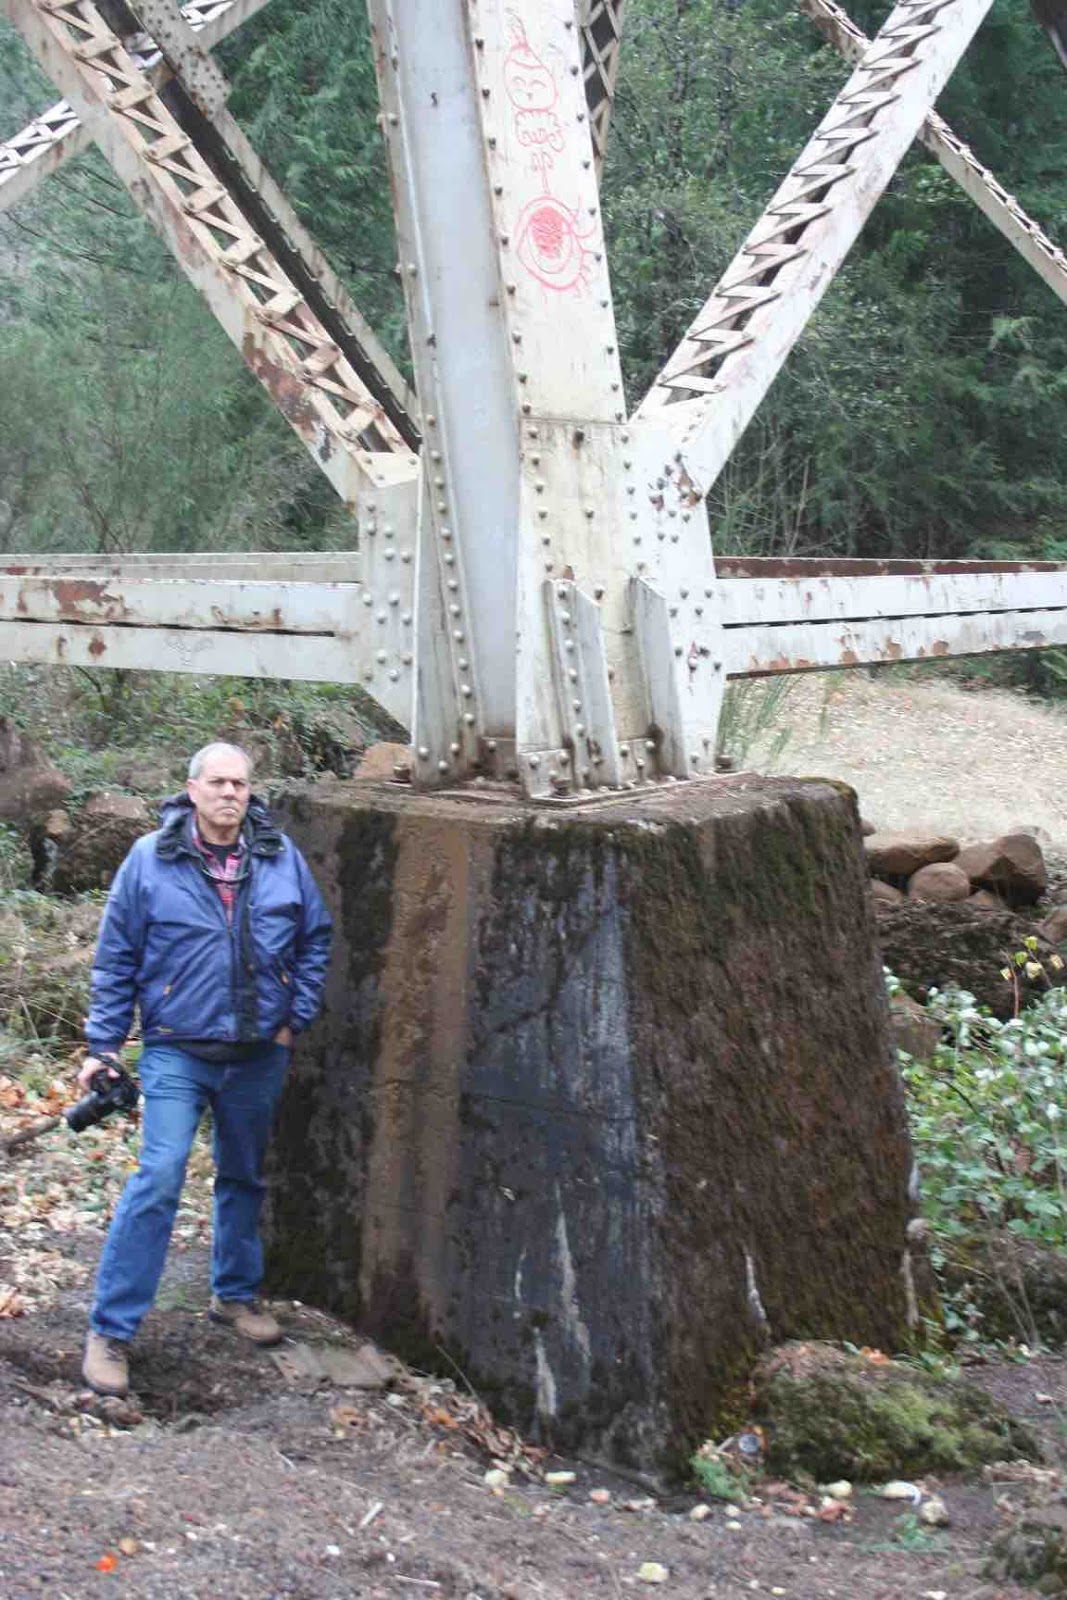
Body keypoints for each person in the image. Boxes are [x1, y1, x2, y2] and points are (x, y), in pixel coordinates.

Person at [78, 742, 332, 1399]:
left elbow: (315, 937)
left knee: (243, 1175)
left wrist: (293, 1019)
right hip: (177, 1048)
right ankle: (110, 1331)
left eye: (239, 784)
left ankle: (234, 1295)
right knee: (160, 1175)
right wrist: (103, 1046)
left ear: (250, 792)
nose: (229, 793)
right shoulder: (150, 859)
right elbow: (116, 955)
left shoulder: (279, 857)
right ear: (192, 790)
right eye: (217, 782)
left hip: (258, 1051)